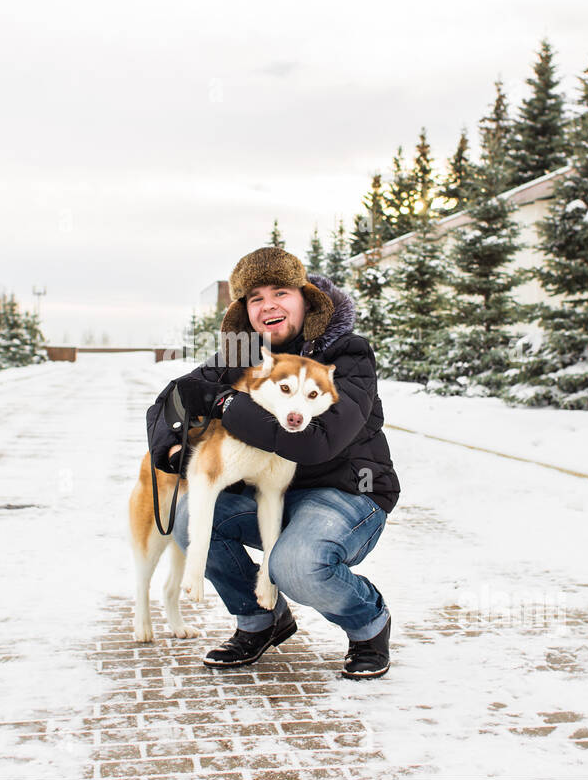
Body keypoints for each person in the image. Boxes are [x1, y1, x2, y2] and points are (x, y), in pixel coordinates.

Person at [144, 247, 400, 678]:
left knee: (294, 564)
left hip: (347, 493)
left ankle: (368, 624)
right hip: (270, 495)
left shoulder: (347, 354)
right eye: (256, 298)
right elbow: (170, 401)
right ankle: (261, 620)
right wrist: (173, 450)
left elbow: (318, 441)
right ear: (245, 310)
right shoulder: (240, 355)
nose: (269, 306)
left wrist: (227, 404)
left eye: (281, 292)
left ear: (306, 298)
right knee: (189, 517)